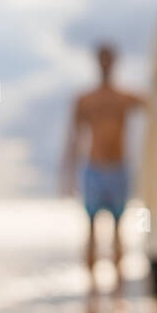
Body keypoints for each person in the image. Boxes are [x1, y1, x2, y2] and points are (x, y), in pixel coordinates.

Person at [62, 44, 145, 286]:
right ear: (97, 61)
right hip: (93, 170)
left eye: (110, 59)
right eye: (103, 59)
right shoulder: (85, 100)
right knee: (91, 230)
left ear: (115, 61)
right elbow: (74, 138)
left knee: (120, 230)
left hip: (119, 169)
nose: (106, 63)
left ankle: (118, 293)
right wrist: (68, 175)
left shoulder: (127, 98)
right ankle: (92, 292)